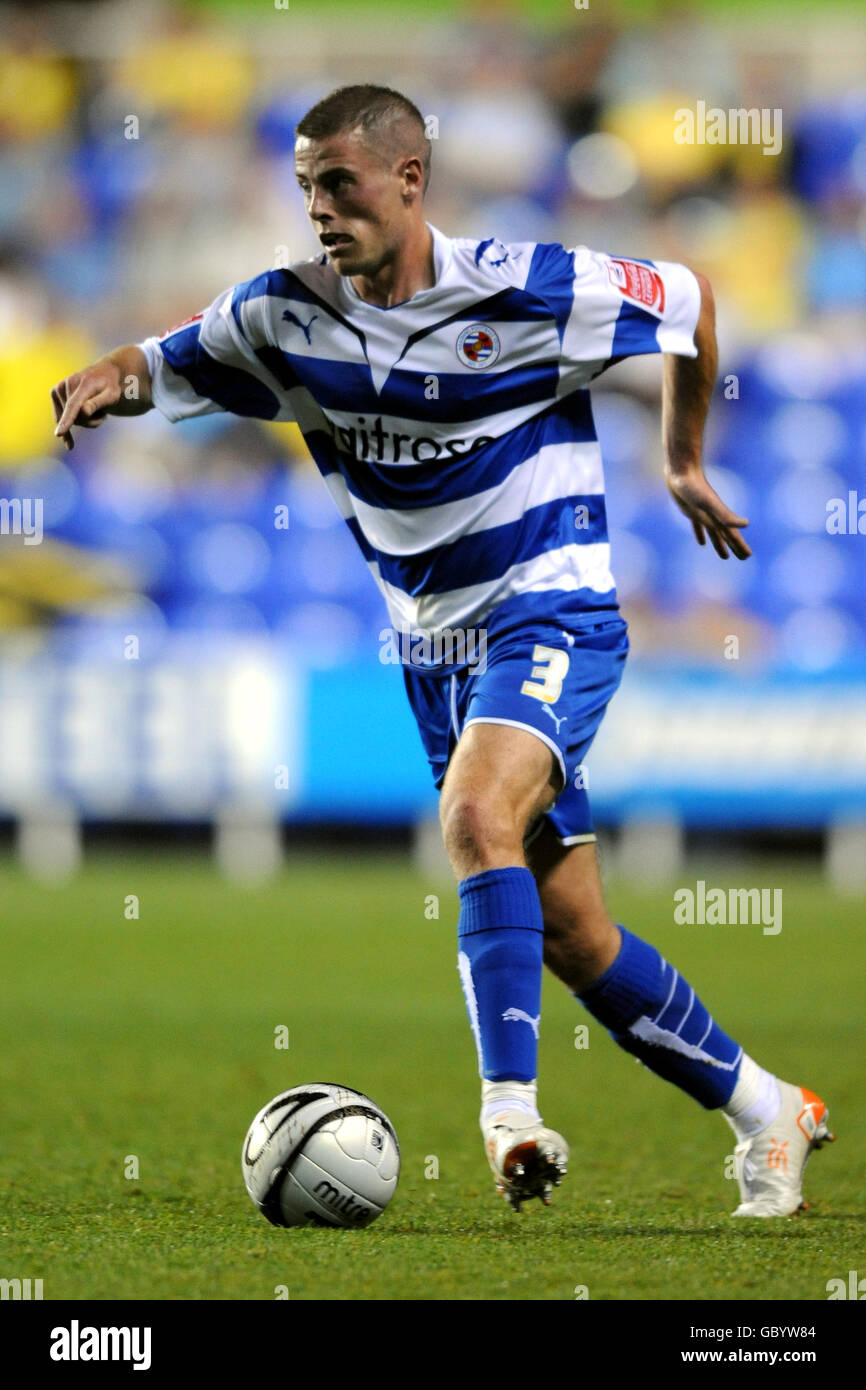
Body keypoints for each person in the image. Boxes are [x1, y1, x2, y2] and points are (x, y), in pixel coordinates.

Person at [52, 84, 833, 1215]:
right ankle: (770, 1113)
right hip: (432, 649)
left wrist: (679, 459)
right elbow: (157, 362)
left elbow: (688, 302)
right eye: (306, 187)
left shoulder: (524, 287)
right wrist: (102, 379)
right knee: (572, 933)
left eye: (340, 184)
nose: (319, 208)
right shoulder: (283, 315)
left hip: (549, 606)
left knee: (473, 818)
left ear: (408, 181)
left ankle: (507, 1113)